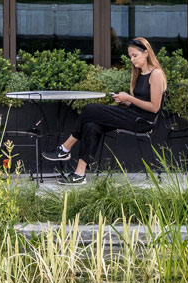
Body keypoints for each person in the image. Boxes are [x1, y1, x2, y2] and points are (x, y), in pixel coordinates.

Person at [45, 37, 167, 180]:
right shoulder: (139, 74)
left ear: (146, 53)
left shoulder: (156, 74)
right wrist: (125, 101)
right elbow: (139, 102)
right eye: (130, 57)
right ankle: (79, 173)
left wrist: (129, 98)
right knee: (91, 125)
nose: (132, 60)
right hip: (132, 114)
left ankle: (65, 148)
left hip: (144, 122)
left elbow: (154, 108)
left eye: (135, 56)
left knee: (90, 109)